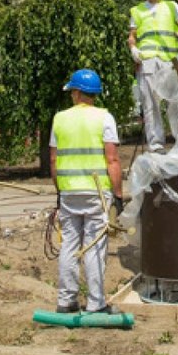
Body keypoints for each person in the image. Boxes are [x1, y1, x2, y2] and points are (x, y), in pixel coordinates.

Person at [50, 69, 124, 315]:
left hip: (70, 192)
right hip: (97, 193)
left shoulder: (59, 119)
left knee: (69, 244)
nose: (72, 94)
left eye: (72, 90)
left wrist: (59, 190)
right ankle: (95, 303)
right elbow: (112, 159)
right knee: (94, 246)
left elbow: (53, 161)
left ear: (78, 92)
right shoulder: (105, 118)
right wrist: (119, 195)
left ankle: (66, 300)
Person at [127, 0, 178, 152]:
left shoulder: (171, 6)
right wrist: (133, 49)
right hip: (148, 61)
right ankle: (156, 145)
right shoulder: (136, 11)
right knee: (150, 103)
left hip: (170, 61)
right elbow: (132, 36)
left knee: (175, 102)